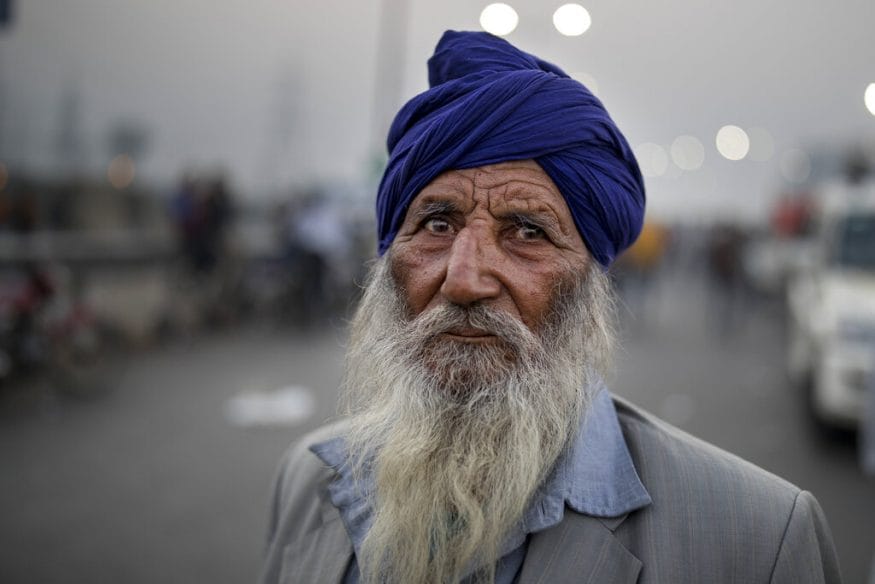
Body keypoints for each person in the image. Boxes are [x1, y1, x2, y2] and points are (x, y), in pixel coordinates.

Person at [260, 31, 841, 584]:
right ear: (388, 261)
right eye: (436, 224)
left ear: (590, 283)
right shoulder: (308, 482)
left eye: (527, 232)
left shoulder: (759, 539)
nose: (464, 281)